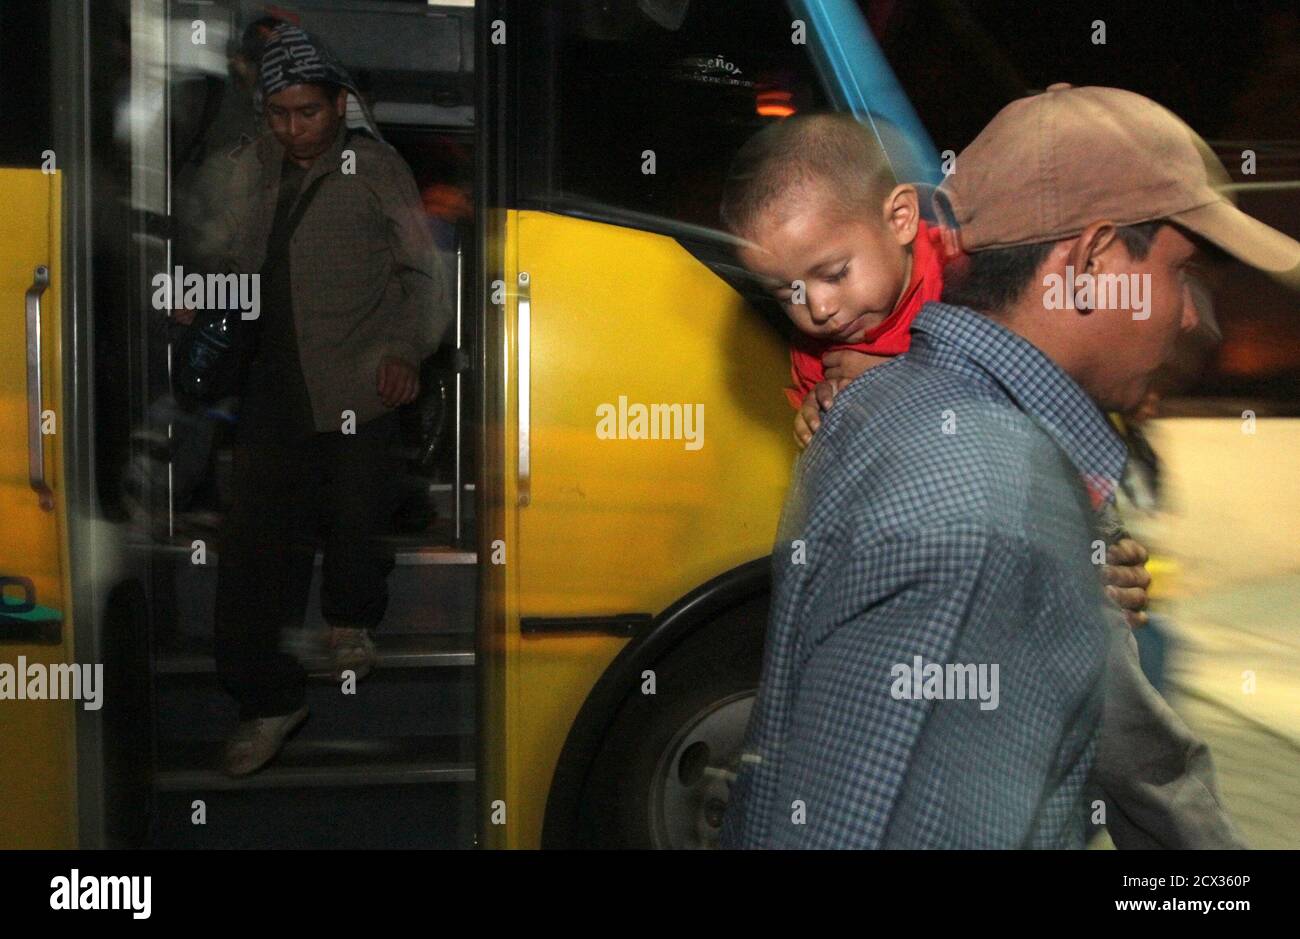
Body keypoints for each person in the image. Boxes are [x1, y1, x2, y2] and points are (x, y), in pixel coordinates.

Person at [719, 85, 1299, 848]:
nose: (1192, 316)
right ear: (1091, 262)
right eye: (1179, 273)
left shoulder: (892, 402)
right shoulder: (987, 511)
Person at [214, 24, 450, 777]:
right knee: (250, 558)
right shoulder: (251, 166)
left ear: (339, 104)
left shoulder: (377, 169)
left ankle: (352, 620)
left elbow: (427, 277)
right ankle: (265, 699)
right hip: (272, 388)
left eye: (308, 112)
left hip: (359, 380)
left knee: (356, 518)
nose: (293, 128)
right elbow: (227, 257)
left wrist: (404, 352)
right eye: (279, 114)